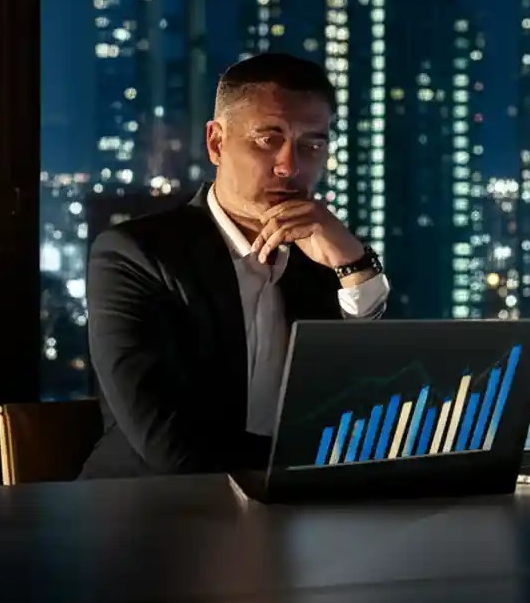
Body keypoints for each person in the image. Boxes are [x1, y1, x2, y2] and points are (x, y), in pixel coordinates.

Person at [79, 53, 391, 478]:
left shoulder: (323, 256)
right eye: (268, 139)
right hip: (152, 516)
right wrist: (303, 465)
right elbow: (170, 445)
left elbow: (379, 409)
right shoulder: (136, 256)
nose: (290, 166)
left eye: (312, 145)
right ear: (216, 142)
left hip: (298, 518)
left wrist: (355, 265)